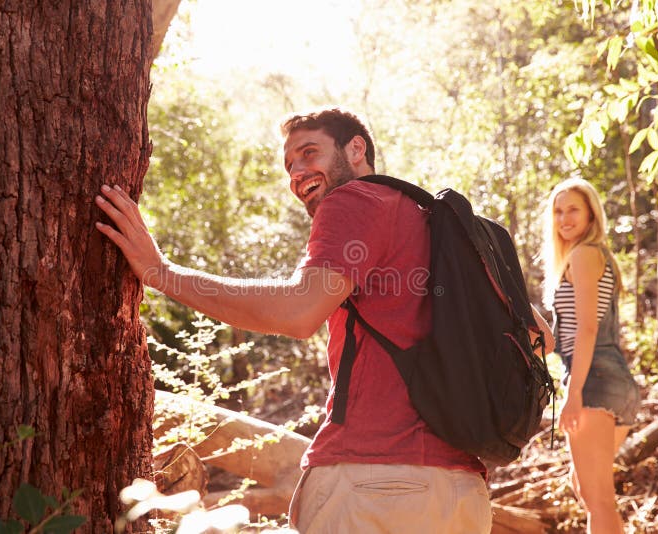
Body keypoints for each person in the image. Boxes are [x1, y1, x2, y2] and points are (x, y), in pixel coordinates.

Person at [96, 107, 549, 533]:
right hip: (462, 495)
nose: (296, 173)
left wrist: (162, 273)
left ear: (356, 150)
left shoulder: (356, 200)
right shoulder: (449, 234)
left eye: (309, 153)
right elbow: (540, 337)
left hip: (373, 487)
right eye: (288, 165)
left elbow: (298, 311)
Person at [542, 177, 640, 534]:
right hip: (615, 382)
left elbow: (587, 329)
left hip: (595, 381)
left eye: (573, 210)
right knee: (589, 489)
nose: (564, 218)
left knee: (598, 499)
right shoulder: (593, 256)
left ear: (591, 216)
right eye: (558, 211)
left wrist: (574, 393)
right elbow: (566, 335)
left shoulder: (584, 254)